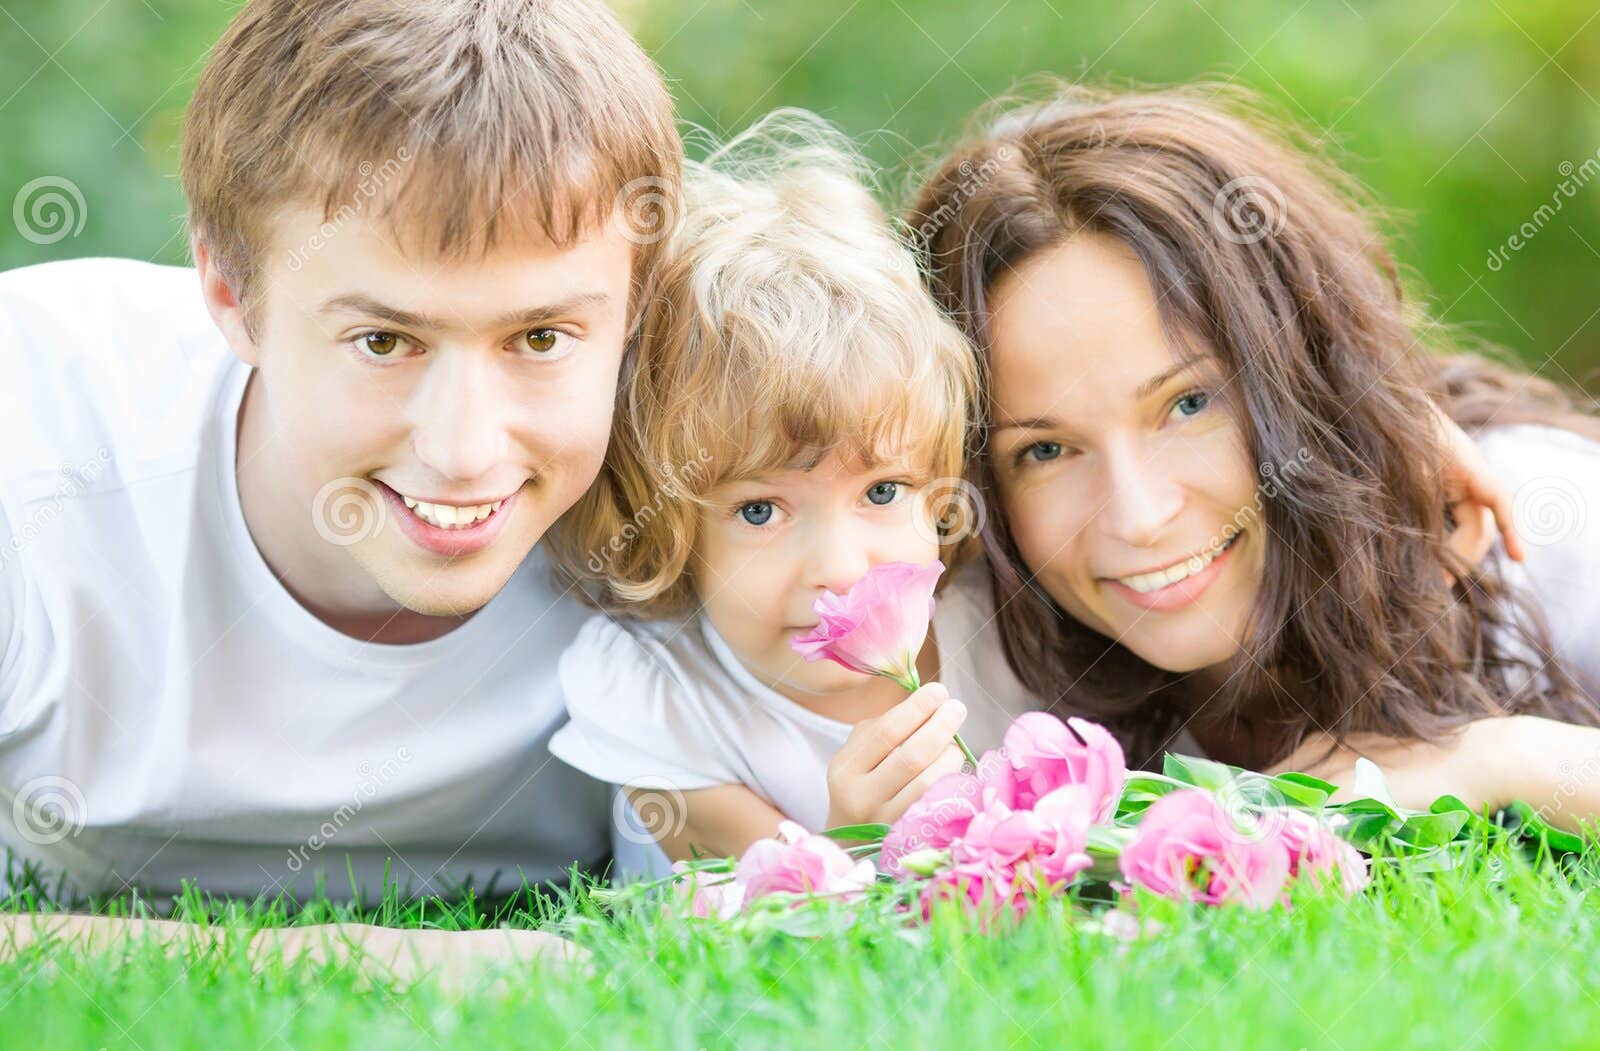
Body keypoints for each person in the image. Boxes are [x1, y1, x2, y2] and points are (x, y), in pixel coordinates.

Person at [0, 0, 680, 974]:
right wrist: (347, 958)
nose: (461, 449)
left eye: (538, 338)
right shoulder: (32, 446)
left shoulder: (712, 491)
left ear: (637, 303)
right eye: (383, 341)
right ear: (231, 296)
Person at [908, 83, 1600, 823]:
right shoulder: (981, 660)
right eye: (1045, 450)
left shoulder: (1535, 518)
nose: (1140, 517)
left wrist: (1489, 757)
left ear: (1305, 380)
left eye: (1188, 404)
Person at [546, 117, 1039, 873]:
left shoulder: (1000, 638)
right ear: (673, 525)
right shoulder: (660, 691)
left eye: (882, 492)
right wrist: (853, 835)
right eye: (759, 511)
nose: (839, 569)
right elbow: (769, 914)